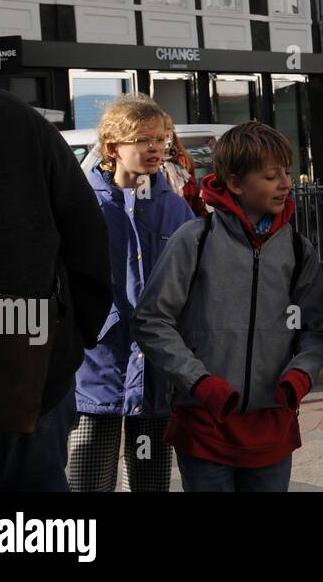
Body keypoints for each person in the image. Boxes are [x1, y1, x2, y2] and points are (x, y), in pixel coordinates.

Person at [132, 122, 323, 491]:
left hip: (273, 425)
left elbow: (313, 330)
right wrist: (199, 381)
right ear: (237, 184)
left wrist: (301, 373)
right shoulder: (194, 239)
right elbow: (152, 320)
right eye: (271, 176)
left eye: (286, 172)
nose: (285, 183)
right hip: (205, 424)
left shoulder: (300, 249)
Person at [0, 76, 111, 492]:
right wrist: (74, 337)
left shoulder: (14, 118)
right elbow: (86, 236)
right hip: (25, 354)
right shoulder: (16, 117)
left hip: (28, 362)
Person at [69, 95, 194, 492]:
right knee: (89, 481)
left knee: (150, 481)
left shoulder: (174, 209)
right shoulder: (82, 205)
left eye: (161, 139)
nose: (156, 148)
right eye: (142, 139)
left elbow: (194, 279)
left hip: (157, 369)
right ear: (112, 149)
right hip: (97, 367)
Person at [161, 117, 206, 217]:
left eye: (168, 128)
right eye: (161, 130)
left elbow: (196, 202)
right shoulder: (147, 165)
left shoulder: (184, 161)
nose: (166, 135)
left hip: (187, 224)